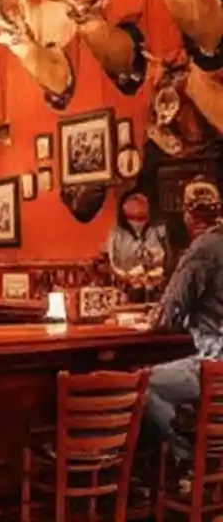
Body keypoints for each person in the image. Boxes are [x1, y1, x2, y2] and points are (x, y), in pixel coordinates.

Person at [145, 177, 223, 463]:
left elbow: (165, 316)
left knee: (143, 385)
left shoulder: (203, 248)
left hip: (216, 365)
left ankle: (188, 461)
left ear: (188, 216)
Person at [105, 189, 168, 300]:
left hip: (158, 289)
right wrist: (128, 277)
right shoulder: (116, 234)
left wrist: (152, 274)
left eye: (142, 200)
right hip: (127, 290)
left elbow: (167, 259)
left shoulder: (160, 231)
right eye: (133, 200)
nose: (138, 203)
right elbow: (112, 263)